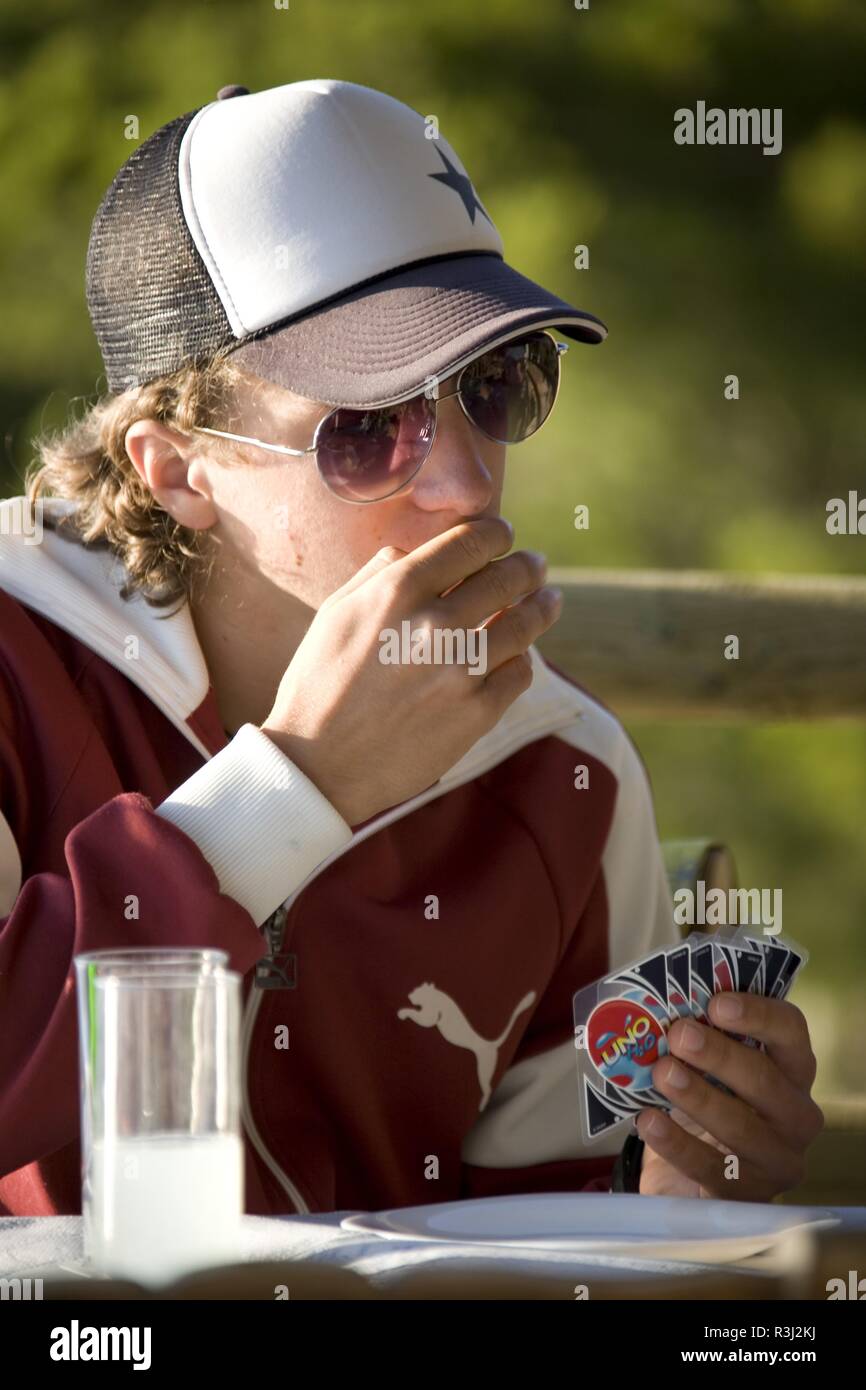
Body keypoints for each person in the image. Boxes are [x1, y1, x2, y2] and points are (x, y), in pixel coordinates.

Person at [0, 78, 822, 1217]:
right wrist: (298, 786)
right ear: (174, 467)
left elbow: (549, 1222)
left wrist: (676, 1191)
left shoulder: (562, 767)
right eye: (369, 426)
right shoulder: (13, 662)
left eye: (497, 386)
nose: (469, 479)